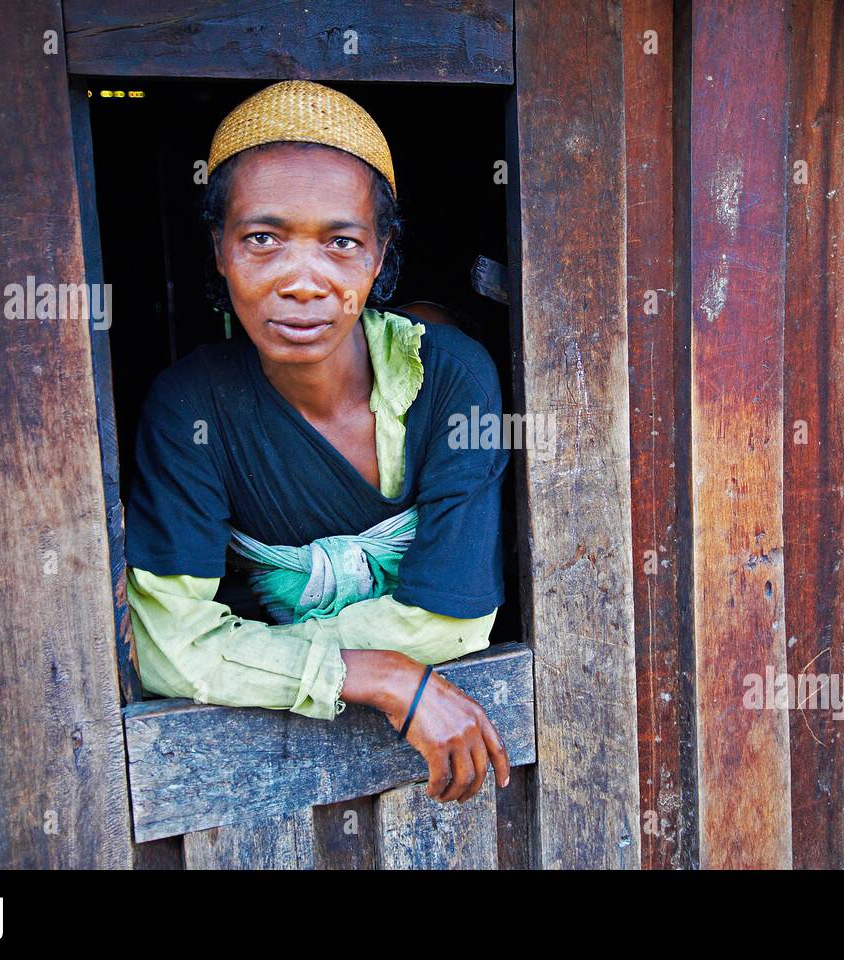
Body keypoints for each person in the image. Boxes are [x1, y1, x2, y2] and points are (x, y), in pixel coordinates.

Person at [123, 80, 510, 805]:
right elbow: (166, 648)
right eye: (262, 239)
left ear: (379, 255)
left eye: (341, 243)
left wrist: (248, 656)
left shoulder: (450, 377)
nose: (303, 282)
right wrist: (381, 674)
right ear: (219, 250)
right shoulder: (189, 408)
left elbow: (455, 620)